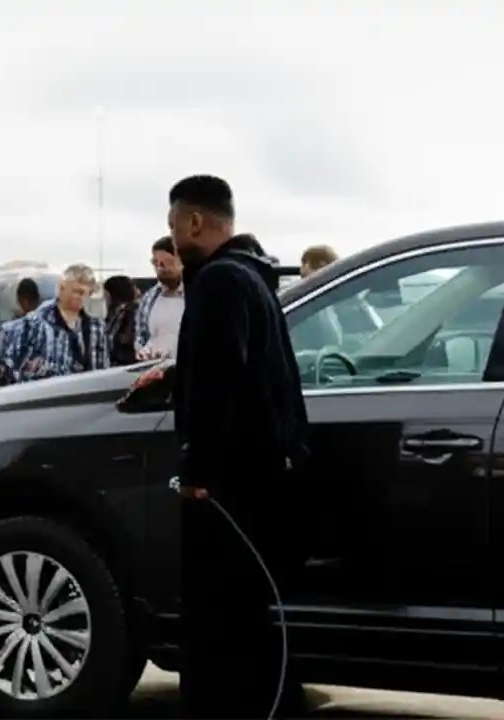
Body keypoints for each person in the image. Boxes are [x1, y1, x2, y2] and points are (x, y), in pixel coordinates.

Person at [167, 175, 309, 718]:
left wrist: (198, 469)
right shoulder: (253, 278)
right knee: (253, 613)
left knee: (217, 617)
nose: (173, 235)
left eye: (174, 224)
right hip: (265, 475)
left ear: (195, 222)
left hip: (228, 484)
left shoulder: (218, 283)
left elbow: (220, 379)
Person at [0, 264, 109, 382]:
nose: (81, 297)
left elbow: (102, 368)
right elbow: (14, 366)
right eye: (77, 292)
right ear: (61, 288)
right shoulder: (35, 324)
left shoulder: (96, 327)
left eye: (87, 293)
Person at [135, 236, 185, 360]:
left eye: (167, 262)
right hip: (157, 370)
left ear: (181, 260)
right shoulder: (150, 297)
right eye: (156, 263)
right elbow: (142, 336)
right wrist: (144, 351)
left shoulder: (198, 294)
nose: (161, 268)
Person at [103, 275, 140, 366]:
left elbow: (124, 340)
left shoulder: (132, 313)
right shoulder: (115, 313)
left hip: (126, 365)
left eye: (105, 293)